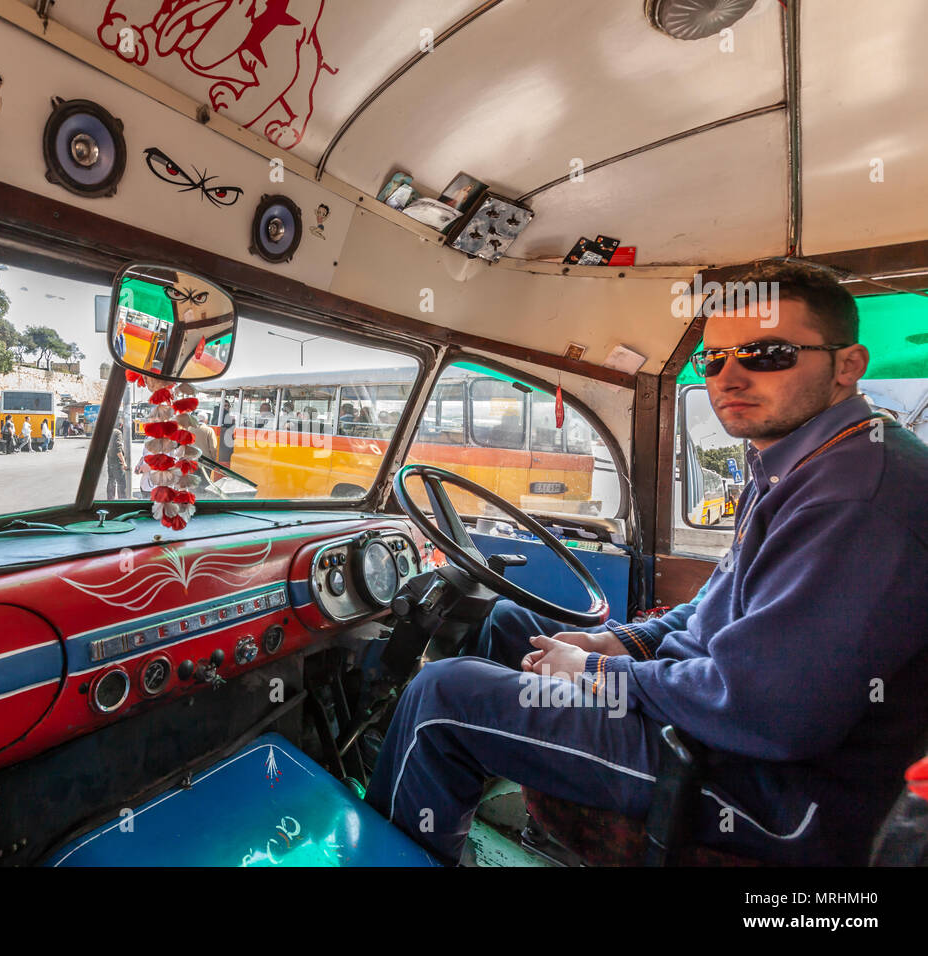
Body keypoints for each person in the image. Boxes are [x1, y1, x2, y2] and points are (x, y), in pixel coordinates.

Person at [366, 261, 928, 866]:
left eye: (767, 353)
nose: (729, 378)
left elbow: (767, 714)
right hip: (730, 727)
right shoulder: (792, 463)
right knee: (509, 622)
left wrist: (593, 673)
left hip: (772, 788)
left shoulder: (856, 495)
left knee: (443, 697)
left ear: (848, 365)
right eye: (713, 360)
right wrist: (617, 642)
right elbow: (712, 610)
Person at [106, 419, 128, 498]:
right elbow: (118, 449)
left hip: (110, 460)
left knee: (111, 481)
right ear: (121, 425)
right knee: (121, 484)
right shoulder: (118, 432)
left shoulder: (110, 432)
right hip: (117, 462)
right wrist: (124, 462)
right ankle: (122, 503)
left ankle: (110, 501)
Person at [218, 400, 235, 468]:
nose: (227, 407)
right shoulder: (221, 416)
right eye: (225, 406)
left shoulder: (228, 416)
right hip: (223, 444)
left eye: (228, 406)